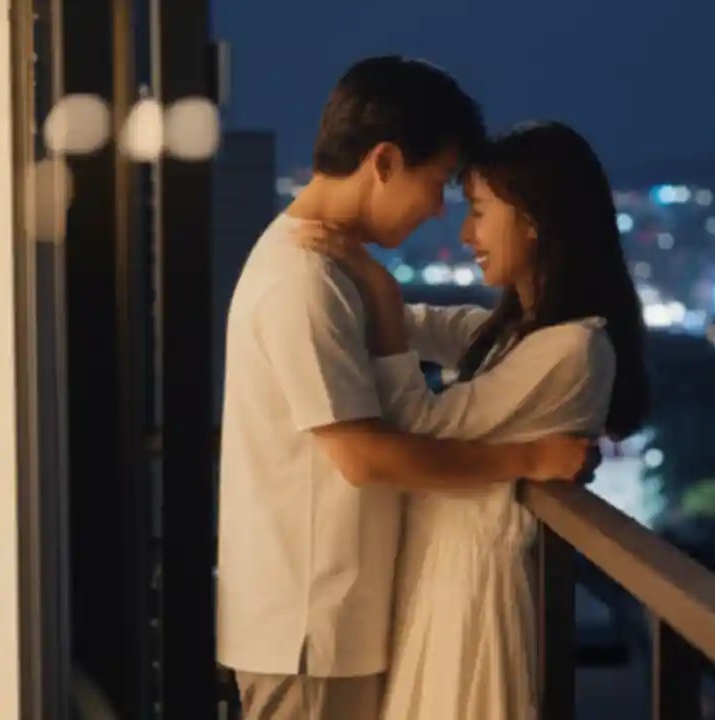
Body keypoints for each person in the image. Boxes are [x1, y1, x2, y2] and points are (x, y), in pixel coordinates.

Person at [215, 57, 592, 720]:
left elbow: (425, 339)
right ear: (384, 161)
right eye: (438, 181)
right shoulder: (305, 282)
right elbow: (365, 456)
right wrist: (529, 460)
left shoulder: (322, 272)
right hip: (310, 630)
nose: (439, 208)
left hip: (318, 623)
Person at [295, 120, 649, 720]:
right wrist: (342, 273)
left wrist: (379, 295)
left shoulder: (572, 348)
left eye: (479, 212)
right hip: (446, 579)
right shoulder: (517, 333)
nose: (465, 233)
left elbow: (419, 424)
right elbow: (429, 326)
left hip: (474, 593)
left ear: (534, 221)